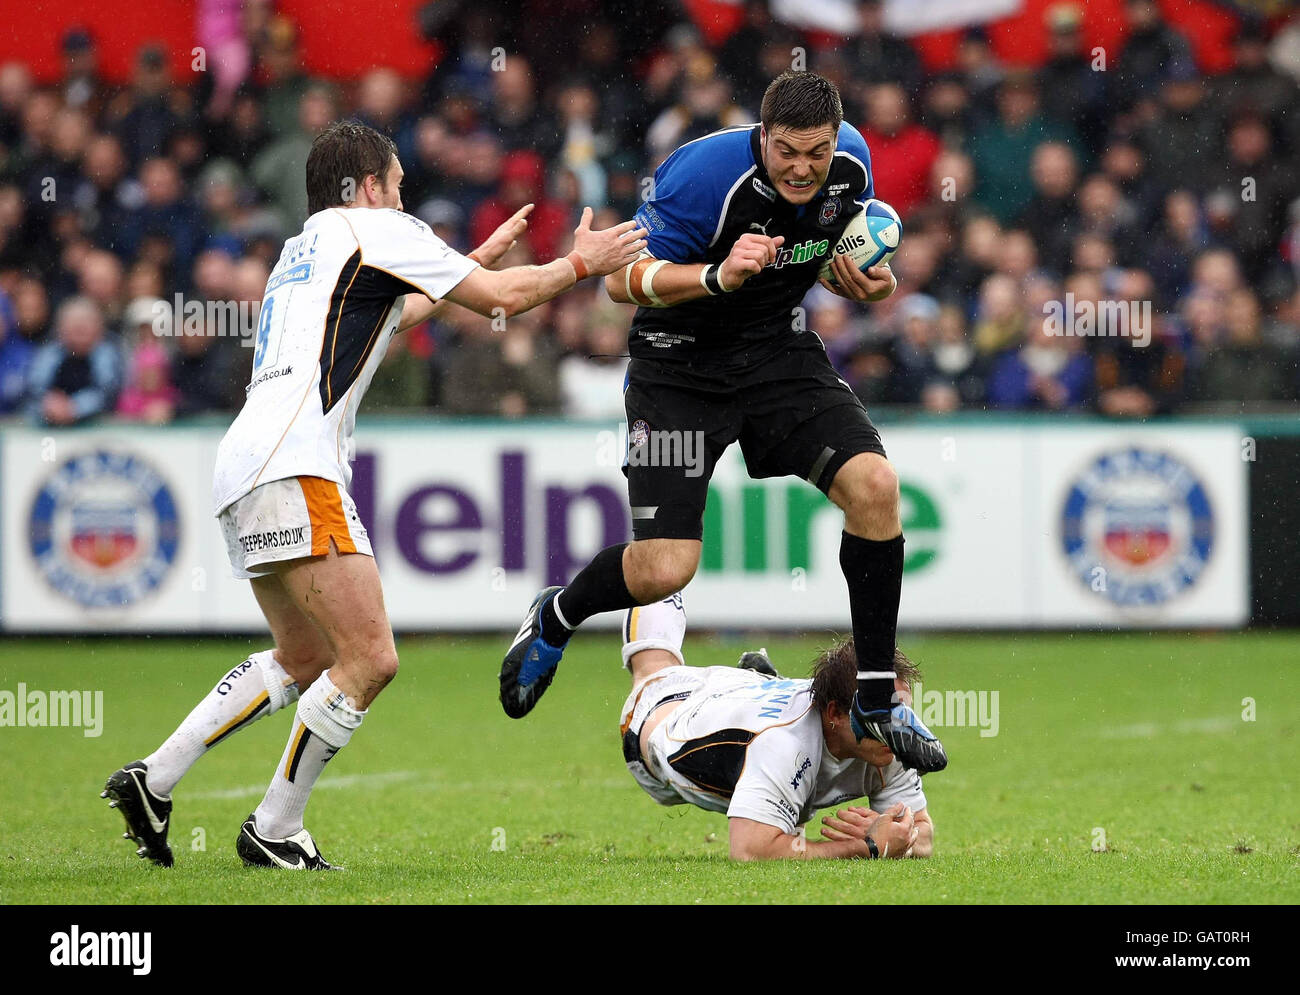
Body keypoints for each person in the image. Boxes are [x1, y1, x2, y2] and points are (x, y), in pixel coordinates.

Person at [103, 120, 646, 870]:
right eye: (396, 183)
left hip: (243, 463)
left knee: (302, 656)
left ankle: (154, 777)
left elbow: (381, 326)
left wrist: (467, 267)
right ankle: (275, 825)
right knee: (370, 657)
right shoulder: (376, 228)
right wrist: (579, 263)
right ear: (365, 188)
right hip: (299, 466)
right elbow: (508, 300)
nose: (403, 196)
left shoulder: (301, 252)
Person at [499, 71, 948, 774]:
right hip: (676, 367)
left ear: (837, 139)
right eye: (787, 152)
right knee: (665, 568)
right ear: (761, 136)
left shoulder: (853, 164)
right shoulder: (702, 175)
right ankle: (558, 614)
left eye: (817, 152)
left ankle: (875, 696)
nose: (804, 168)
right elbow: (621, 281)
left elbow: (827, 255)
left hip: (776, 353)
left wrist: (869, 280)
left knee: (877, 488)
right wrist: (715, 275)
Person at [620, 594, 933, 860]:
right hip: (665, 715)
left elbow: (923, 835)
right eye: (880, 712)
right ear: (835, 713)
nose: (896, 723)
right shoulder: (784, 745)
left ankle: (761, 683)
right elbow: (750, 850)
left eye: (900, 708)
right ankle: (650, 542)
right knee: (654, 666)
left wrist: (902, 836)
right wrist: (867, 846)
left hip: (748, 695)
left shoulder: (893, 737)